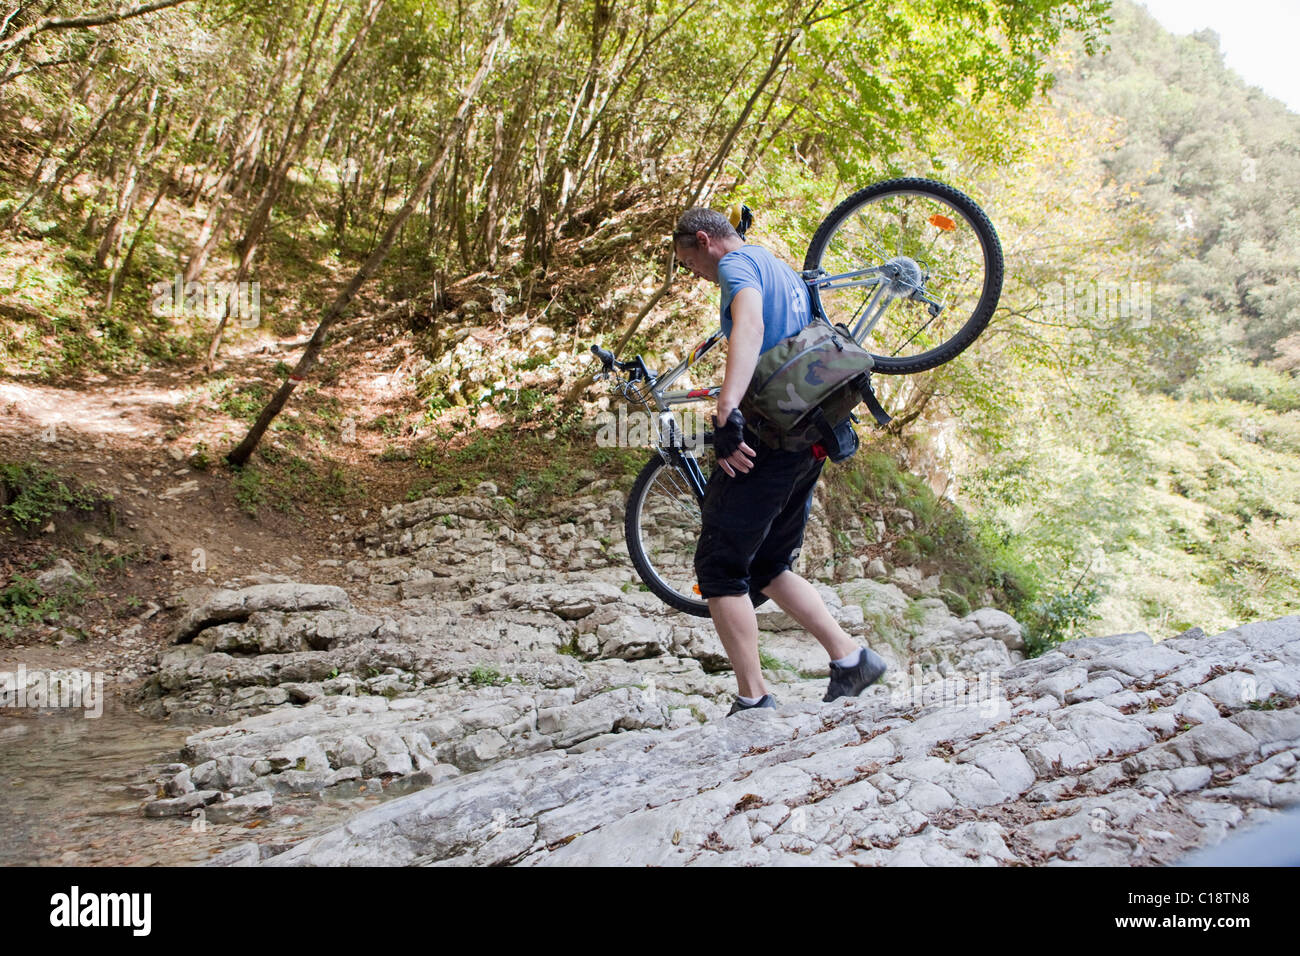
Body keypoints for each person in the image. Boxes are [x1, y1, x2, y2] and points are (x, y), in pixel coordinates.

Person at [671, 207, 888, 716]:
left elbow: (748, 325)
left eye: (687, 262)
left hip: (770, 435)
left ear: (702, 241)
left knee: (720, 568)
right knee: (768, 564)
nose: (693, 273)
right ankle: (851, 658)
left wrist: (726, 410)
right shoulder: (775, 261)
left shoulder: (736, 267)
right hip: (811, 433)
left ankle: (752, 698)